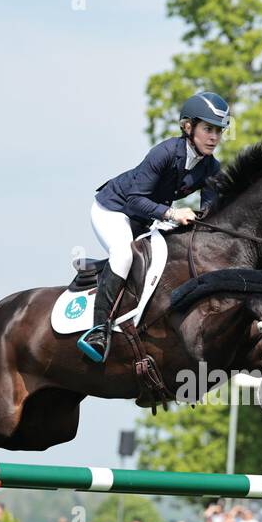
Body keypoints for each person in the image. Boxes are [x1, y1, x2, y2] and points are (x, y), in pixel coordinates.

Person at [77, 91, 231, 363]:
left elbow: (209, 214)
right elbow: (136, 200)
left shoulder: (211, 167)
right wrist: (173, 213)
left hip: (146, 217)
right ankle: (98, 330)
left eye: (218, 131)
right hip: (114, 209)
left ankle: (103, 273)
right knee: (124, 254)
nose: (214, 137)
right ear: (188, 127)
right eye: (208, 129)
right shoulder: (165, 152)